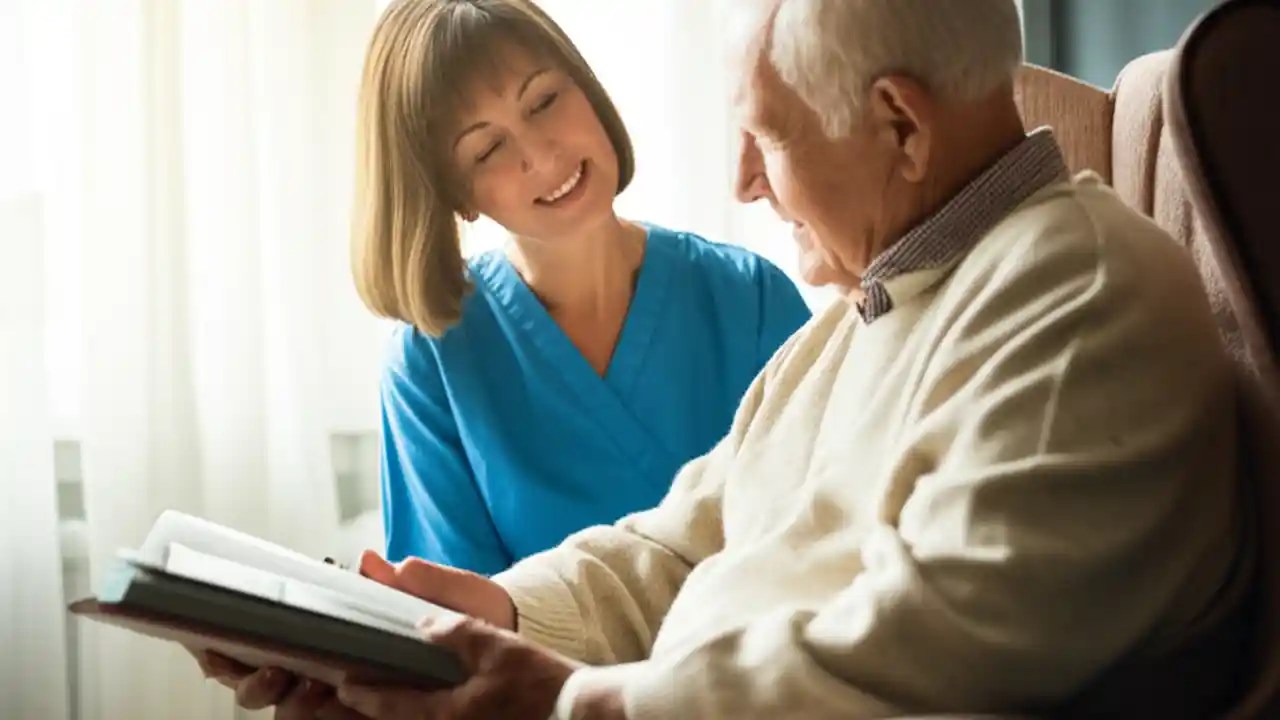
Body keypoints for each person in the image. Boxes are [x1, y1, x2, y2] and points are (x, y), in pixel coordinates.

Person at [203, 0, 1251, 718]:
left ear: (898, 124)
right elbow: (673, 546)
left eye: (770, 138)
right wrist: (488, 613)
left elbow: (927, 661)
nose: (741, 182)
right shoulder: (866, 319)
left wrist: (562, 702)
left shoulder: (1073, 305)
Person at [356, 0, 811, 575]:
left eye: (544, 101)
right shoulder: (431, 364)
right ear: (456, 197)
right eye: (488, 149)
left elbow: (824, 552)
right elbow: (455, 631)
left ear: (586, 88)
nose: (542, 154)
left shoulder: (751, 300)